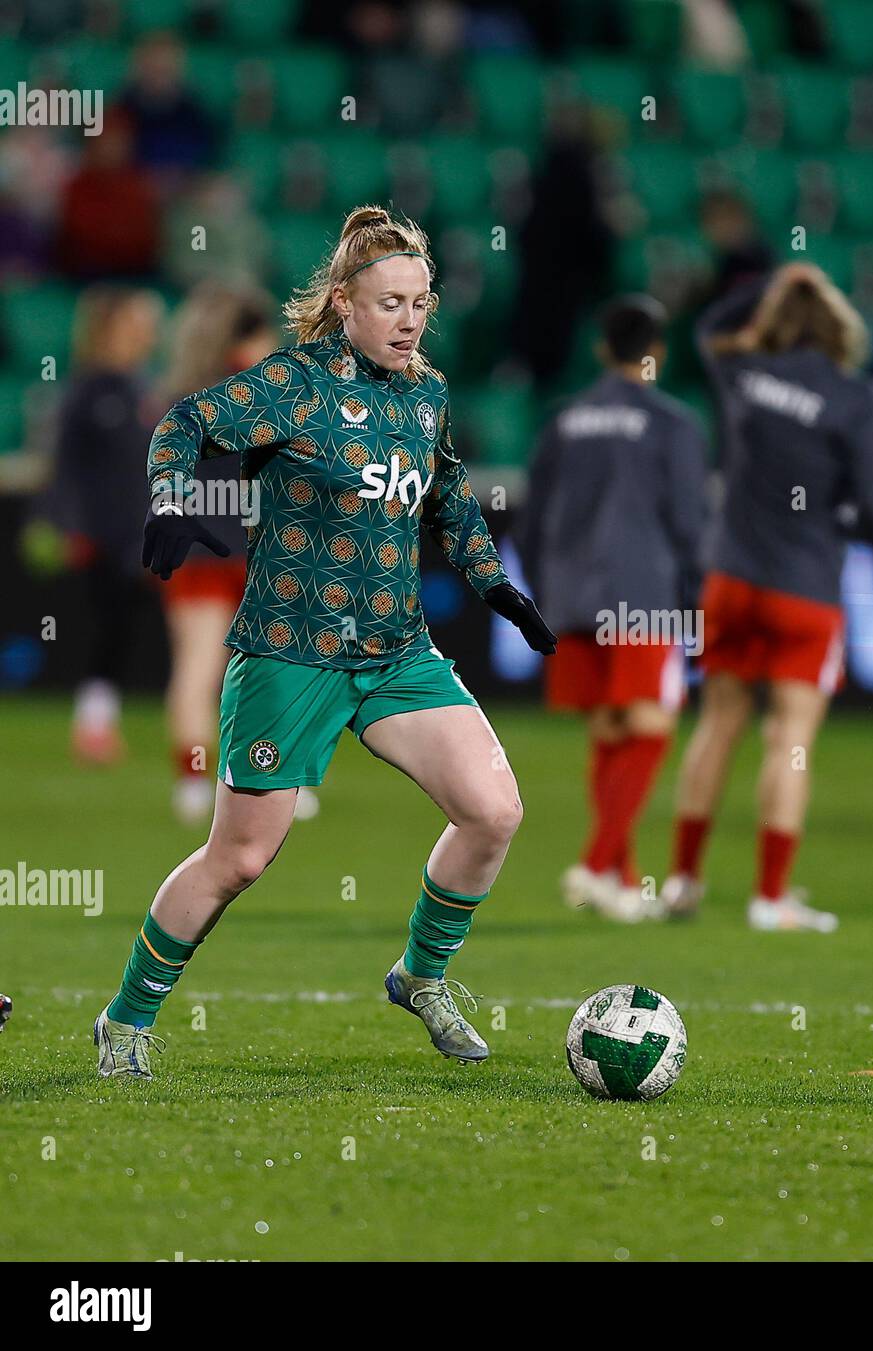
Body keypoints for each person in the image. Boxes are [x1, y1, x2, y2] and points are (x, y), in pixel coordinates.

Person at [93, 205, 556, 1081]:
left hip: (394, 652)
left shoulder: (427, 391)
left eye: (422, 302)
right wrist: (167, 497)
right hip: (288, 651)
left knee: (494, 810)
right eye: (390, 303)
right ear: (345, 303)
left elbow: (448, 493)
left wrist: (494, 581)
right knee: (238, 858)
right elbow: (183, 423)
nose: (410, 320)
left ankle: (421, 976)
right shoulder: (295, 383)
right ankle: (125, 1018)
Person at [659, 263, 873, 932]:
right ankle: (770, 896)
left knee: (719, 725)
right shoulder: (857, 399)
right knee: (791, 737)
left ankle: (683, 882)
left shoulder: (746, 375)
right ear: (840, 328)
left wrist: (771, 282)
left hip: (731, 579)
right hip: (805, 588)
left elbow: (706, 329)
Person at [517, 295, 709, 923]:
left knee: (608, 728)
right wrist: (698, 595)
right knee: (651, 725)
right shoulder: (674, 424)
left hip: (572, 596)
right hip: (644, 592)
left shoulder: (563, 419)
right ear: (658, 351)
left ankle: (622, 882)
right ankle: (597, 862)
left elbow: (531, 520)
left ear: (603, 349)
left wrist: (545, 591)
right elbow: (688, 523)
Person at [152, 281, 298, 825]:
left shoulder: (178, 394)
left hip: (197, 549)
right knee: (274, 670)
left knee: (197, 669)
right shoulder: (264, 387)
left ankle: (192, 782)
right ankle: (273, 780)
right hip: (257, 550)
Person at [22, 284, 163, 763]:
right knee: (105, 627)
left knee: (123, 629)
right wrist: (66, 525)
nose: (145, 335)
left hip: (138, 534)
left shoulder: (145, 390)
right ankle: (93, 725)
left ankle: (101, 722)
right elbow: (64, 468)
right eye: (133, 326)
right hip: (99, 535)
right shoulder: (85, 394)